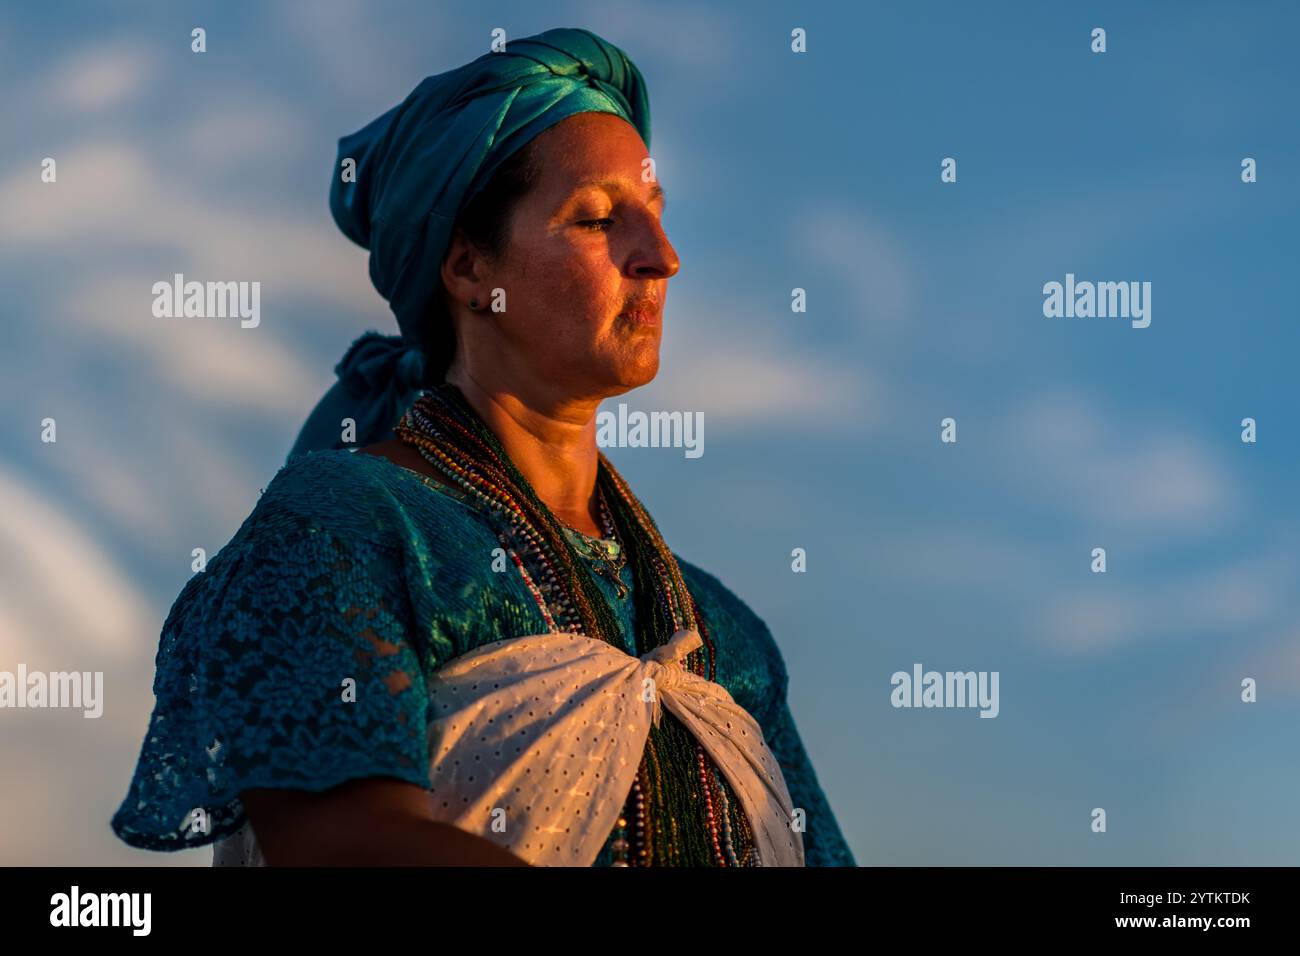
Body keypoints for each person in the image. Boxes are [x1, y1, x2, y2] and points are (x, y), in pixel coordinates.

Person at [110, 27, 856, 867]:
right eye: (600, 218)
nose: (662, 258)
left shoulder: (724, 635)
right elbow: (344, 844)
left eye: (657, 217)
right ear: (469, 268)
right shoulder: (346, 528)